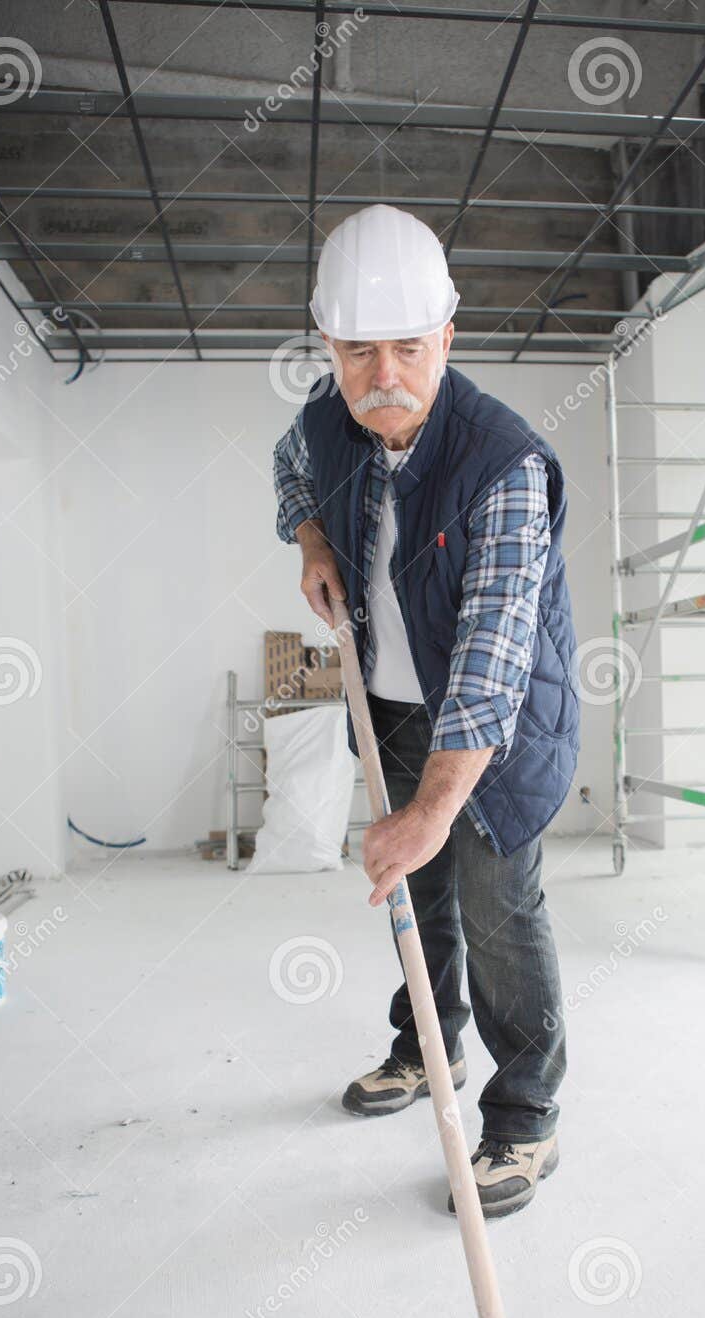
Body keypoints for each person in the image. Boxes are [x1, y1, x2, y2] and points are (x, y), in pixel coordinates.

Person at [272, 205, 579, 1218]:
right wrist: (314, 545)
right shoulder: (328, 414)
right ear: (329, 345)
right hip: (395, 704)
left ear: (446, 337)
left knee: (496, 908)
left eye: (407, 345)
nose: (382, 373)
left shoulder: (503, 464)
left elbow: (491, 663)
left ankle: (523, 1114)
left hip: (495, 728)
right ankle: (426, 1047)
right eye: (358, 349)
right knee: (419, 898)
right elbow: (290, 470)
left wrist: (432, 808)